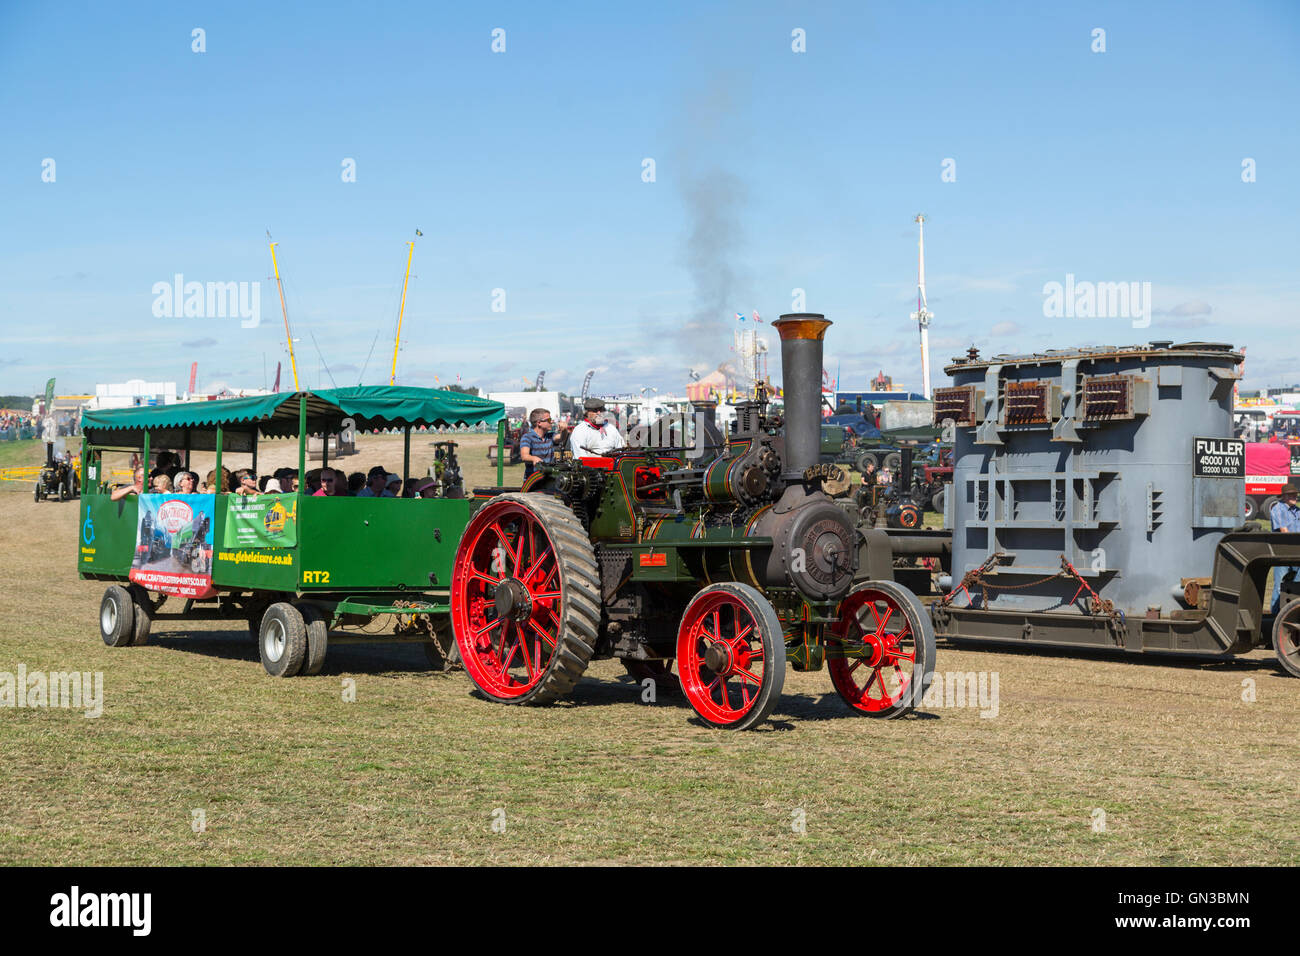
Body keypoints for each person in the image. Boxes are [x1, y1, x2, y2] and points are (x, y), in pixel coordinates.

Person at [1271, 484, 1300, 613]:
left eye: (1295, 494)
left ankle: (1291, 612)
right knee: (1279, 587)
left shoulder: (1297, 511)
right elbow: (1284, 531)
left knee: (1296, 584)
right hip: (1282, 553)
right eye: (1291, 494)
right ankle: (1275, 617)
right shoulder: (1278, 509)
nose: (1294, 497)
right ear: (1284, 496)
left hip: (1296, 552)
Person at [520, 408, 556, 477]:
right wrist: (534, 458)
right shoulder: (527, 437)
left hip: (549, 479)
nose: (551, 422)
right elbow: (524, 456)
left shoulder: (550, 436)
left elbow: (561, 437)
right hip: (533, 481)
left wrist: (564, 430)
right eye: (548, 420)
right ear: (539, 423)